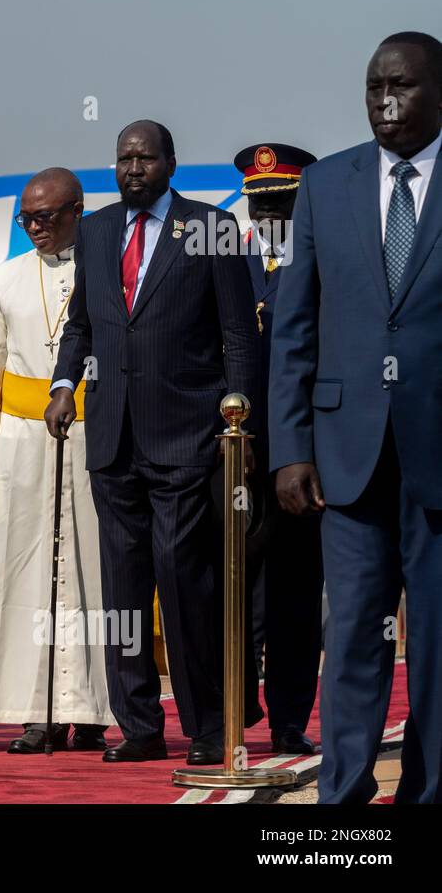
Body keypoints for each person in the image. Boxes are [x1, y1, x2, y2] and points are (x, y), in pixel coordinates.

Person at [45, 120, 259, 766]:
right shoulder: (98, 230)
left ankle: (205, 726)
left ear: (170, 163)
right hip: (113, 438)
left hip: (188, 436)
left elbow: (239, 335)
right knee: (124, 592)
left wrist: (241, 420)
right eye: (122, 158)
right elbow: (81, 325)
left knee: (183, 578)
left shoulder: (211, 229)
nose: (132, 168)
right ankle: (137, 725)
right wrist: (62, 385)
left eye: (144, 158)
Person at [270, 32, 442, 803]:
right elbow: (295, 331)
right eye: (374, 88)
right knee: (352, 639)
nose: (384, 102)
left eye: (400, 87)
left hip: (437, 454)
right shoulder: (326, 185)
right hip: (346, 456)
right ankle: (343, 800)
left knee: (436, 646)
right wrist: (289, 448)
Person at [0, 168, 114, 752]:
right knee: (22, 577)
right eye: (26, 218)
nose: (34, 228)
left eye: (46, 217)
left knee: (93, 573)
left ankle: (95, 708)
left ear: (77, 211)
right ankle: (34, 711)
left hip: (94, 437)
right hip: (19, 444)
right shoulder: (3, 280)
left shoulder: (106, 269)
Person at [229, 143, 323, 756]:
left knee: (292, 593)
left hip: (300, 456)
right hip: (234, 455)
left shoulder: (321, 260)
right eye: (260, 205)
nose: (270, 217)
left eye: (281, 204)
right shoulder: (226, 261)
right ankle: (236, 705)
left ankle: (290, 719)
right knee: (230, 588)